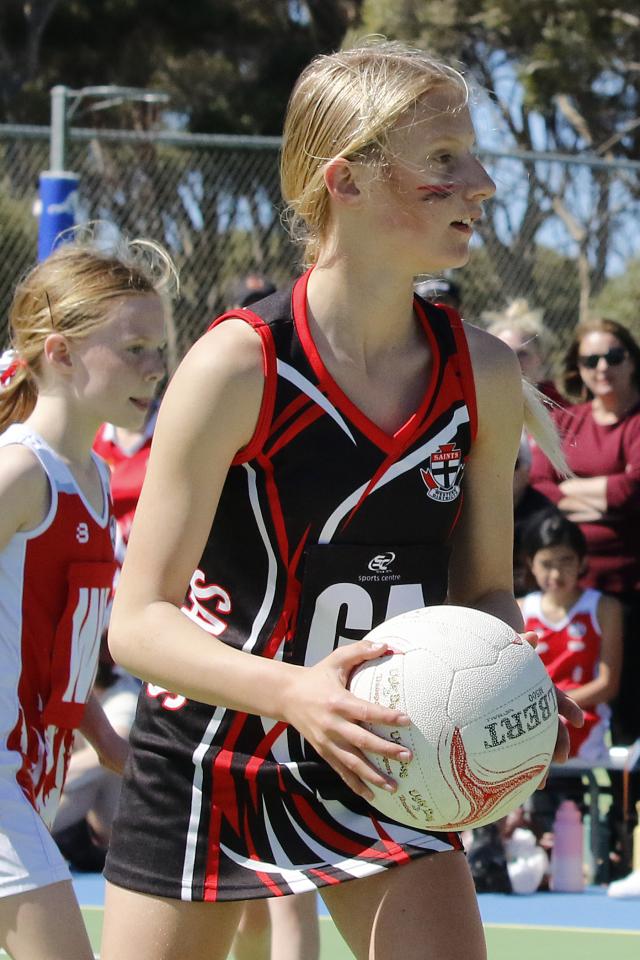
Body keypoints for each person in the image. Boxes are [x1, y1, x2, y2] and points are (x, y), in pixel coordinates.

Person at [101, 40, 581, 960]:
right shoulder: (240, 365)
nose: (481, 184)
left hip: (386, 754)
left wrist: (504, 672)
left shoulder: (477, 371)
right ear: (345, 181)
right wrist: (295, 694)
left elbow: (481, 587)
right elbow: (139, 622)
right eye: (443, 161)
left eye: (472, 157)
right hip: (215, 751)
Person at [0, 228, 176, 960]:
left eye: (160, 348)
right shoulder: (20, 474)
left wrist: (107, 743)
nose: (156, 367)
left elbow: (57, 649)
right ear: (61, 353)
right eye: (134, 348)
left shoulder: (96, 481)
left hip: (32, 779)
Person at [483, 298, 566, 407]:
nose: (512, 362)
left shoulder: (563, 414)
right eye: (503, 354)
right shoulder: (478, 409)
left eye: (522, 354)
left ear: (540, 358)